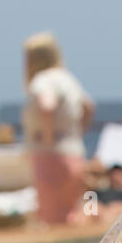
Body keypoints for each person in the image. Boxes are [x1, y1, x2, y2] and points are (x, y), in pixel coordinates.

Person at [21, 32, 95, 224]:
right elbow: (89, 106)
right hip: (73, 152)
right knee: (70, 214)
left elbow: (47, 106)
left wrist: (47, 140)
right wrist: (78, 133)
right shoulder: (67, 79)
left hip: (51, 156)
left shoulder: (42, 80)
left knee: (52, 219)